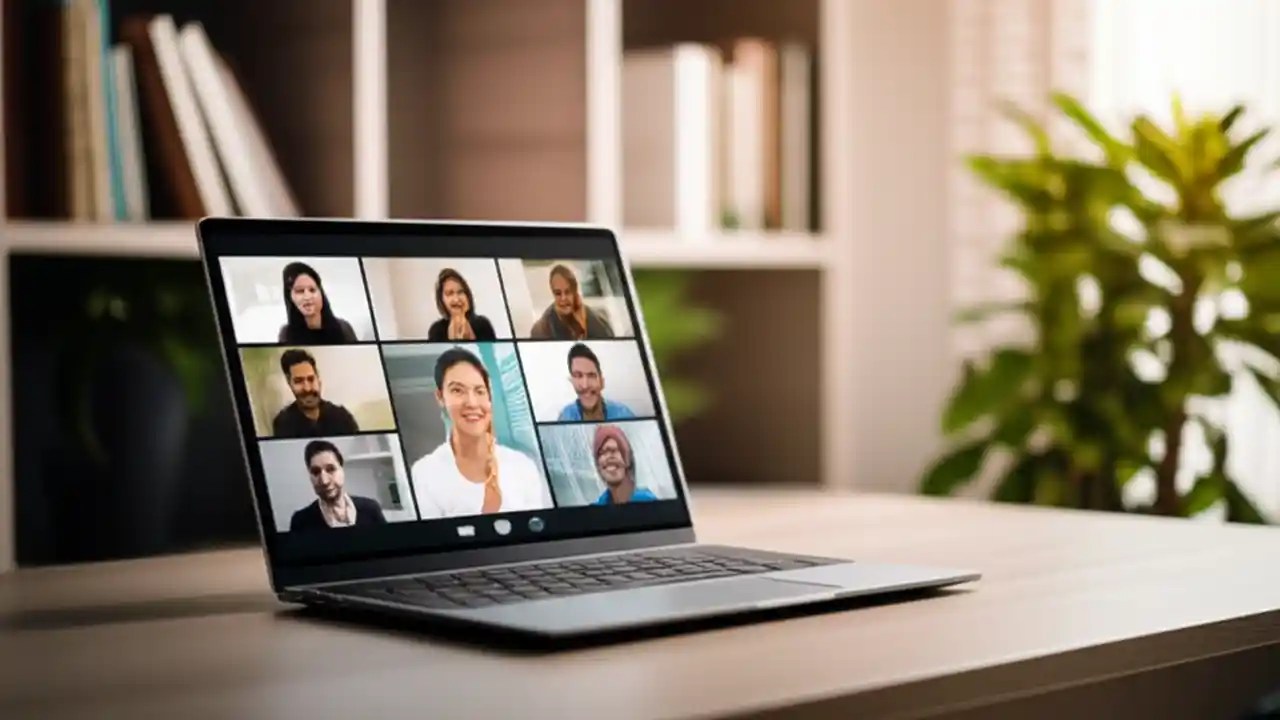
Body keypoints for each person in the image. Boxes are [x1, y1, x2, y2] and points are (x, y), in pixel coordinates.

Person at [411, 347, 551, 517]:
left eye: (479, 391)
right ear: (440, 397)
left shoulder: (522, 465)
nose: (472, 402)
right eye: (457, 390)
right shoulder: (425, 472)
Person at [289, 440, 387, 531]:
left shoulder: (371, 509)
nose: (324, 481)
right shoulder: (300, 521)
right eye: (315, 472)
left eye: (331, 469)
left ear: (342, 470)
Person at [271, 349, 360, 437]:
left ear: (318, 380)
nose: (307, 388)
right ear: (289, 384)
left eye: (311, 379)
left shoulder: (342, 417)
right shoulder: (283, 424)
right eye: (298, 381)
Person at [528, 264, 616, 340]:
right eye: (558, 293)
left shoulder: (600, 324)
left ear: (575, 292)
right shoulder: (541, 330)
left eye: (567, 292)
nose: (563, 298)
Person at [278, 261, 358, 344]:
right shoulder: (286, 334)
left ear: (321, 294)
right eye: (300, 291)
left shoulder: (343, 328)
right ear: (290, 297)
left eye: (312, 290)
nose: (307, 297)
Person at [557, 343, 637, 421]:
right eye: (578, 375)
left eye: (591, 376)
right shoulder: (565, 417)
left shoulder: (624, 414)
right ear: (572, 381)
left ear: (602, 382)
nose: (585, 385)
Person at [591, 424, 659, 505]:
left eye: (614, 450)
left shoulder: (647, 501)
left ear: (627, 460)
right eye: (602, 452)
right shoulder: (598, 505)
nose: (609, 457)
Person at [426, 268, 498, 341]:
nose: (456, 299)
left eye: (460, 292)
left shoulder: (483, 324)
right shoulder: (436, 330)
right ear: (441, 299)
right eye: (449, 293)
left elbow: (489, 348)